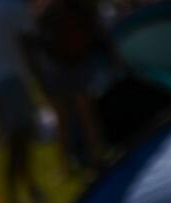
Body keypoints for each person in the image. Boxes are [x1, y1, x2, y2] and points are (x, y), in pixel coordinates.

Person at [0, 0, 49, 203]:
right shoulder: (15, 7)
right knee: (19, 139)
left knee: (15, 138)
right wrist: (40, 78)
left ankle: (28, 189)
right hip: (14, 78)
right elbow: (27, 44)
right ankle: (15, 197)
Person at [28, 0, 110, 172]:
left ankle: (64, 164)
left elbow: (40, 42)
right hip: (79, 64)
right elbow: (96, 32)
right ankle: (96, 156)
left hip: (58, 67)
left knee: (63, 120)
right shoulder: (82, 7)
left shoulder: (48, 11)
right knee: (87, 116)